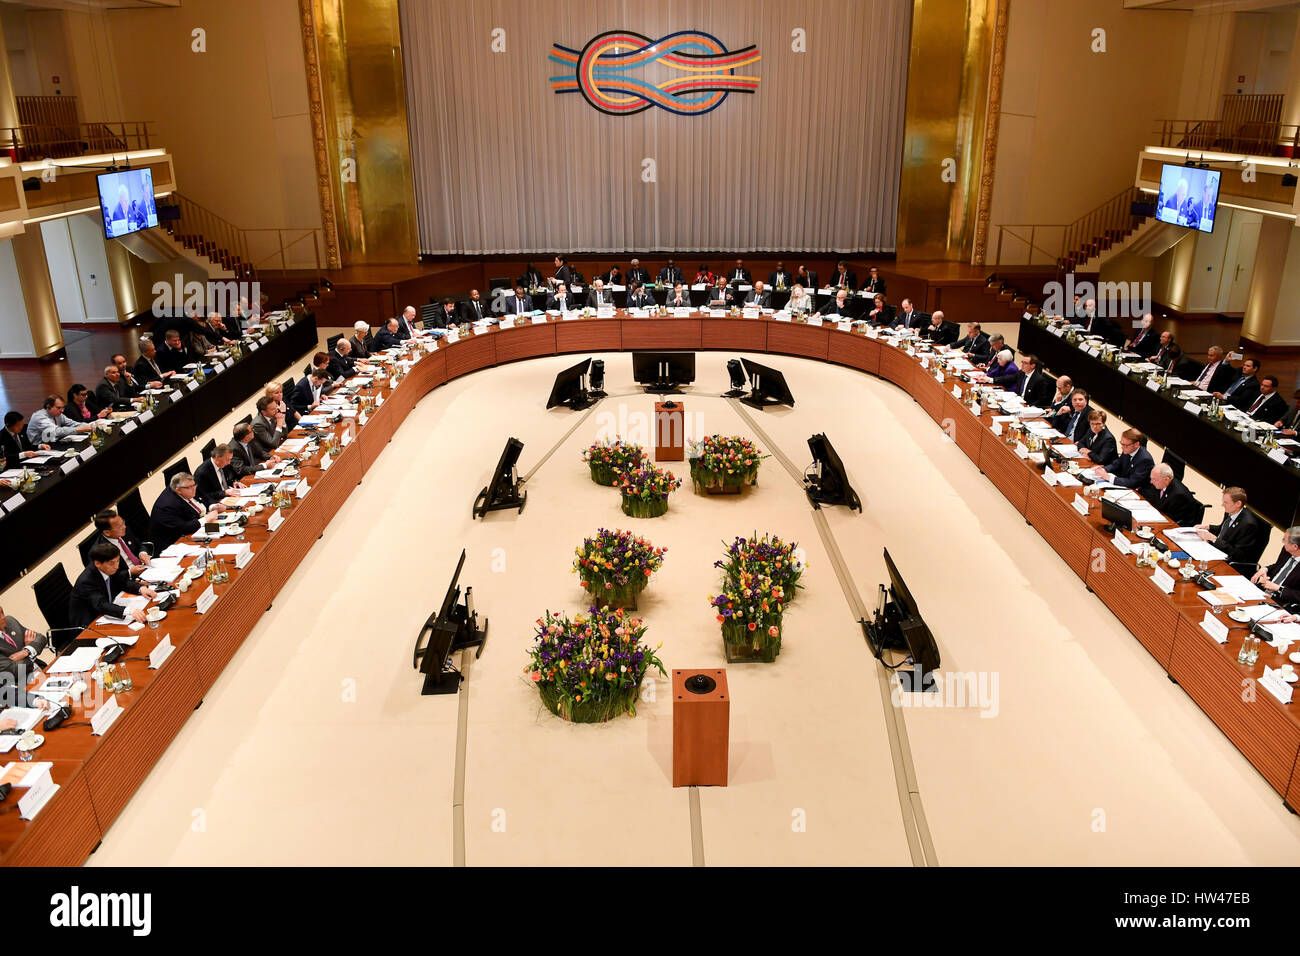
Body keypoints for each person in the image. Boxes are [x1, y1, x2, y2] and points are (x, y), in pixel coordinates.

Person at [69, 542, 156, 628]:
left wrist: (141, 589)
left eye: (117, 561)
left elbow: (122, 581)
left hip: (106, 613)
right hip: (90, 623)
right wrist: (130, 611)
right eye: (112, 563)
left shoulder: (109, 567)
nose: (116, 566)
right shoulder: (87, 581)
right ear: (97, 564)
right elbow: (101, 604)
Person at [1196, 487, 1269, 573]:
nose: (1222, 505)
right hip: (1217, 551)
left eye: (1226, 502)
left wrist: (1214, 539)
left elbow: (1238, 554)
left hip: (1230, 563)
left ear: (1238, 504)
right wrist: (1209, 527)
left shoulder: (1249, 525)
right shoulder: (1230, 512)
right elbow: (1225, 530)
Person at [150, 473, 221, 551]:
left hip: (194, 530)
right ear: (178, 490)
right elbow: (183, 528)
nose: (194, 488)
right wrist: (206, 519)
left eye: (194, 485)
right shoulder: (168, 506)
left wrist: (212, 506)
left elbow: (205, 497)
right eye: (190, 487)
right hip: (173, 543)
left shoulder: (189, 486)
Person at [89, 509, 150, 576]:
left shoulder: (124, 531)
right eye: (119, 526)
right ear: (107, 532)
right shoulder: (100, 551)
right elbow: (110, 577)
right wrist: (129, 572)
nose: (124, 527)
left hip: (145, 568)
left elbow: (140, 545)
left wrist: (142, 553)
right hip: (127, 579)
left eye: (123, 522)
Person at [1251, 528, 1300, 608]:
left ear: (1295, 546)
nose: (1283, 542)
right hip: (1263, 591)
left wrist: (1278, 588)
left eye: (1284, 540)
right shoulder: (1286, 550)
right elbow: (1278, 566)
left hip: (1280, 603)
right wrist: (1265, 569)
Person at [0, 602, 48, 679]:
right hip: (20, 684)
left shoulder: (10, 621)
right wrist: (31, 655)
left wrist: (26, 651)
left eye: (2, 612)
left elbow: (40, 638)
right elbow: (14, 670)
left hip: (41, 668)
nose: (3, 617)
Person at [28, 396, 94, 444]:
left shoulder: (58, 414)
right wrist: (78, 429)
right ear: (48, 407)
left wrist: (91, 426)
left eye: (63, 408)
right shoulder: (39, 418)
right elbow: (56, 431)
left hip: (53, 443)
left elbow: (72, 423)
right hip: (38, 448)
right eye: (59, 408)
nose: (62, 410)